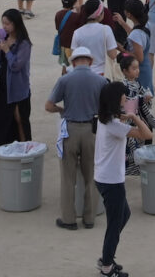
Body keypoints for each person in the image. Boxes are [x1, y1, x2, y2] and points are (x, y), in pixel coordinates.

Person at [93, 78, 153, 277]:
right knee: (113, 226)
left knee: (123, 216)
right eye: (123, 94)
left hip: (103, 177)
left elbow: (118, 124)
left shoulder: (106, 119)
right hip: (111, 181)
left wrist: (125, 117)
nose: (126, 97)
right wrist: (135, 118)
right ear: (116, 98)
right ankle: (107, 266)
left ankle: (106, 257)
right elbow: (146, 135)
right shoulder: (115, 126)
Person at [45, 44, 105, 231]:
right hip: (92, 130)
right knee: (92, 176)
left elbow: (48, 106)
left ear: (73, 62)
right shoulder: (101, 81)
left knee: (68, 177)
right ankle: (89, 218)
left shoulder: (65, 79)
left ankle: (69, 219)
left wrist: (62, 110)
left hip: (69, 129)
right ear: (90, 61)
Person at [0, 9, 33, 161]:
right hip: (3, 85)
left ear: (16, 24)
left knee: (20, 119)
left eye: (7, 23)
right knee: (0, 120)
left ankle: (26, 150)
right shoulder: (2, 39)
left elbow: (17, 66)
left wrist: (7, 51)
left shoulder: (24, 44)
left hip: (18, 89)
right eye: (3, 23)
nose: (4, 27)